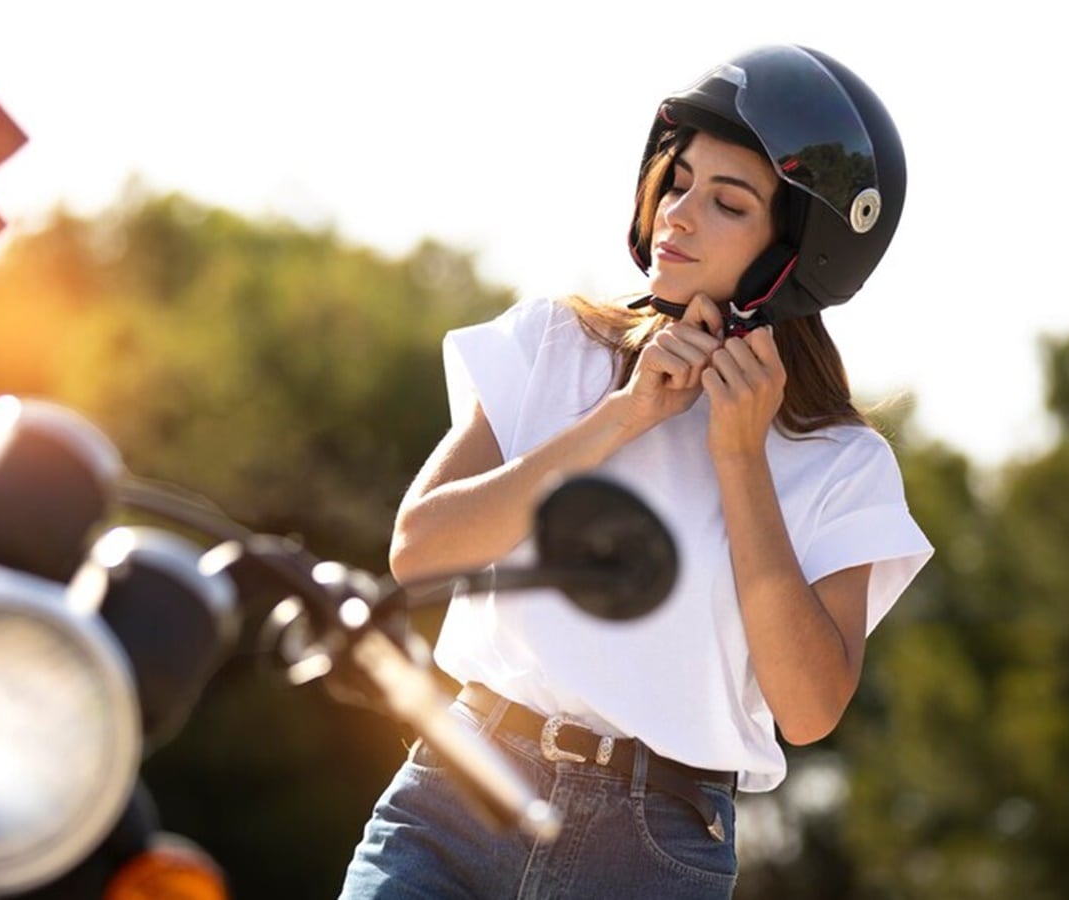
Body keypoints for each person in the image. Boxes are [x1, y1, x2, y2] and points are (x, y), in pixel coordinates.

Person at [339, 44, 933, 899]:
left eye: (727, 202)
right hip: (455, 802)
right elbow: (420, 550)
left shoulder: (844, 464)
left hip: (654, 854)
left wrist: (740, 457)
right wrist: (620, 417)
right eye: (678, 180)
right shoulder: (554, 343)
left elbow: (807, 710)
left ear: (800, 254)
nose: (677, 214)